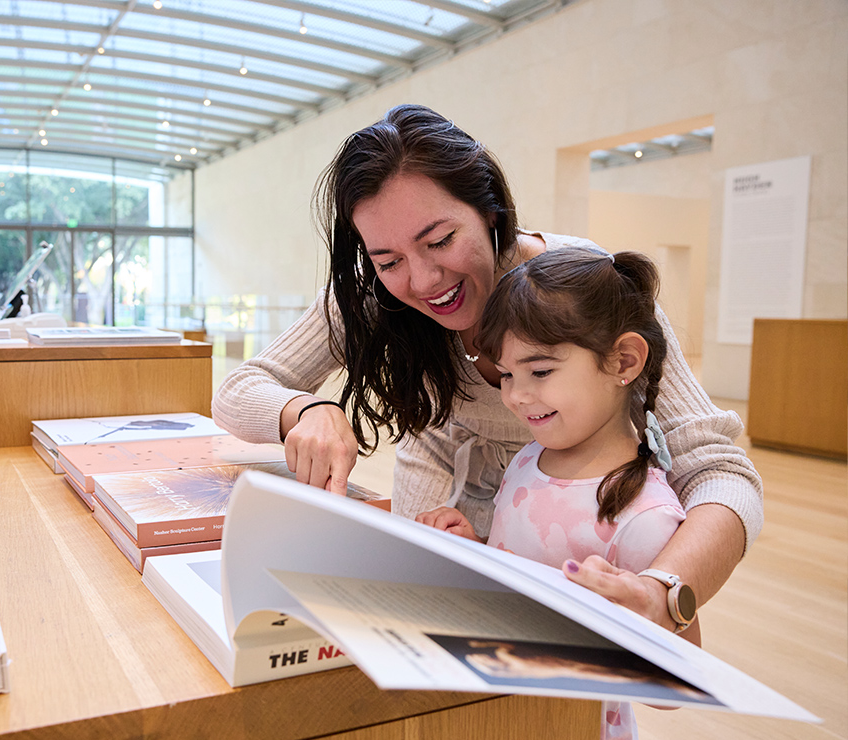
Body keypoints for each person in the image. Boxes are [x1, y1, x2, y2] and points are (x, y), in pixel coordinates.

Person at [211, 104, 762, 638]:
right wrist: (305, 409)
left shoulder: (581, 288)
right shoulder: (371, 298)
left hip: (579, 545)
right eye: (388, 261)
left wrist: (663, 592)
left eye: (441, 240)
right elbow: (238, 389)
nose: (424, 280)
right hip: (455, 533)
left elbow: (718, 470)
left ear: (491, 211)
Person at [418, 246, 696, 740]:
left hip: (576, 732)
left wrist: (642, 618)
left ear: (623, 361)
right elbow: (522, 563)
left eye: (540, 372)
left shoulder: (644, 515)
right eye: (506, 374)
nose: (516, 396)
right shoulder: (529, 457)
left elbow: (674, 687)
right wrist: (474, 542)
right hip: (499, 711)